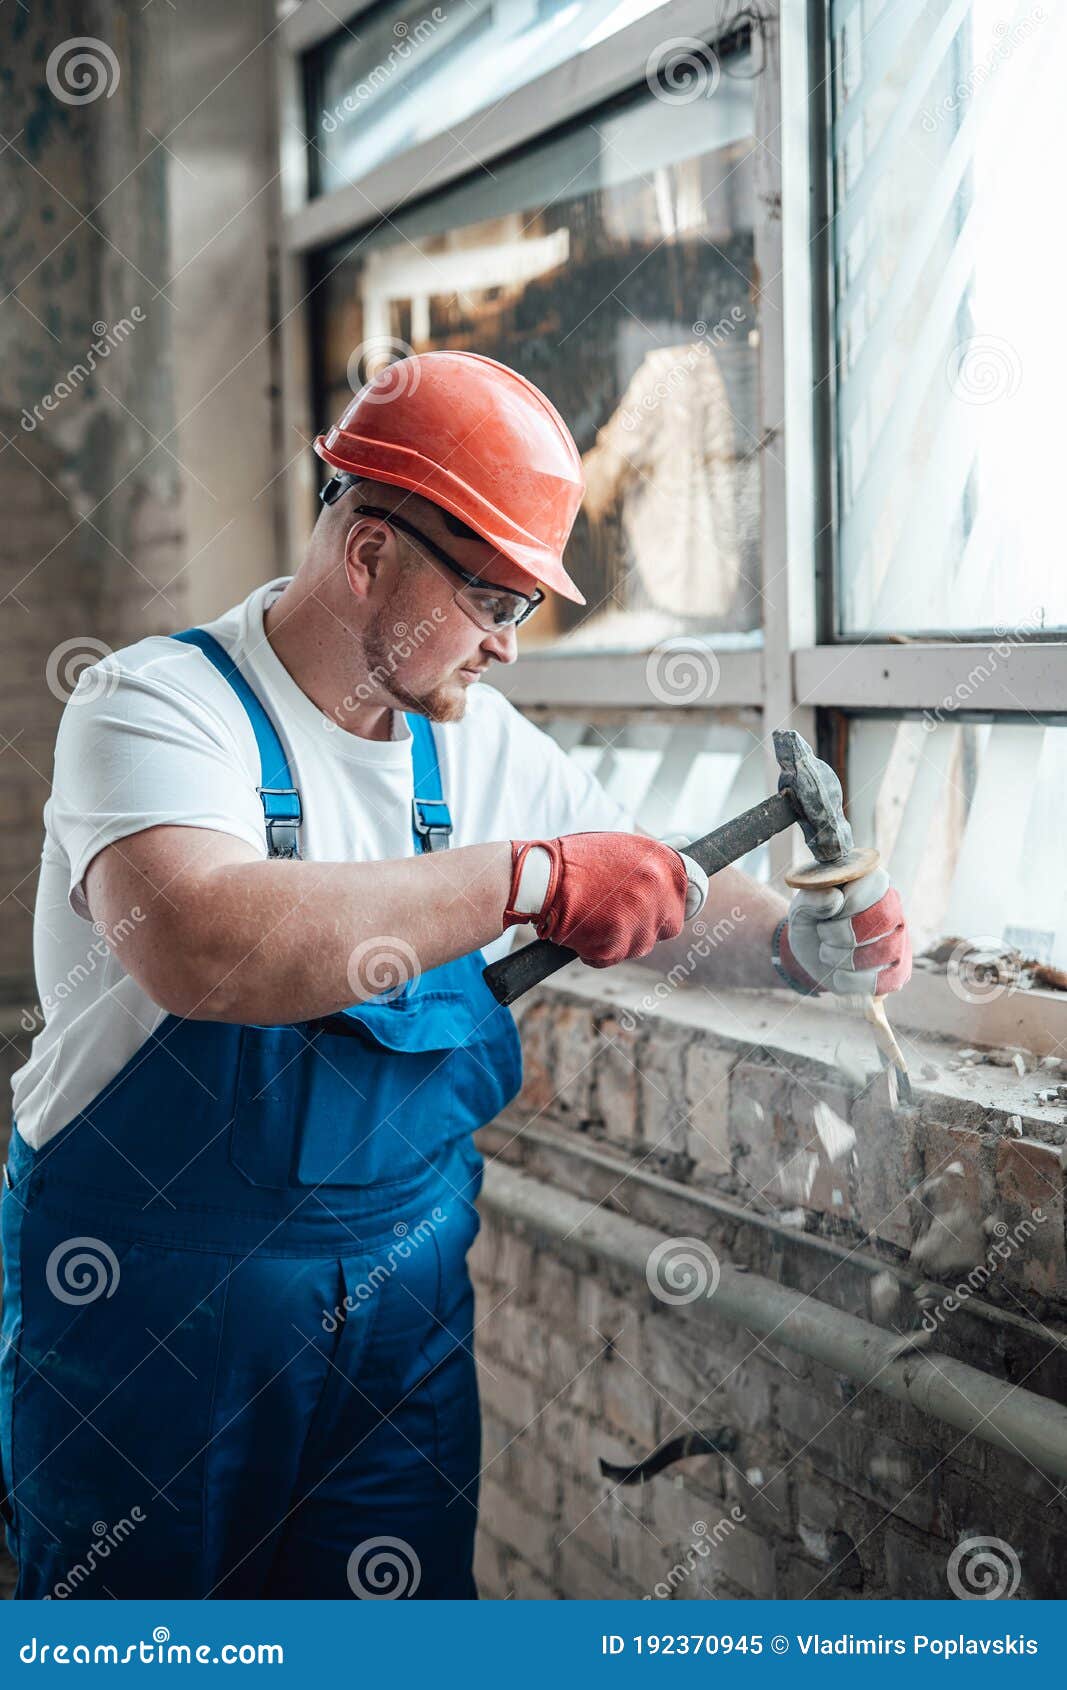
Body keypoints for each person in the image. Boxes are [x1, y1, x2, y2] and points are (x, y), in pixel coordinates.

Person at [0, 351, 910, 1599]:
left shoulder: (472, 745)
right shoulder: (155, 706)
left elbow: (650, 886)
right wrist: (525, 878)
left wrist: (795, 946)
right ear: (370, 554)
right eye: (493, 599)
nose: (507, 646)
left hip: (401, 1305)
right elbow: (200, 941)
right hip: (155, 1313)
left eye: (523, 607)